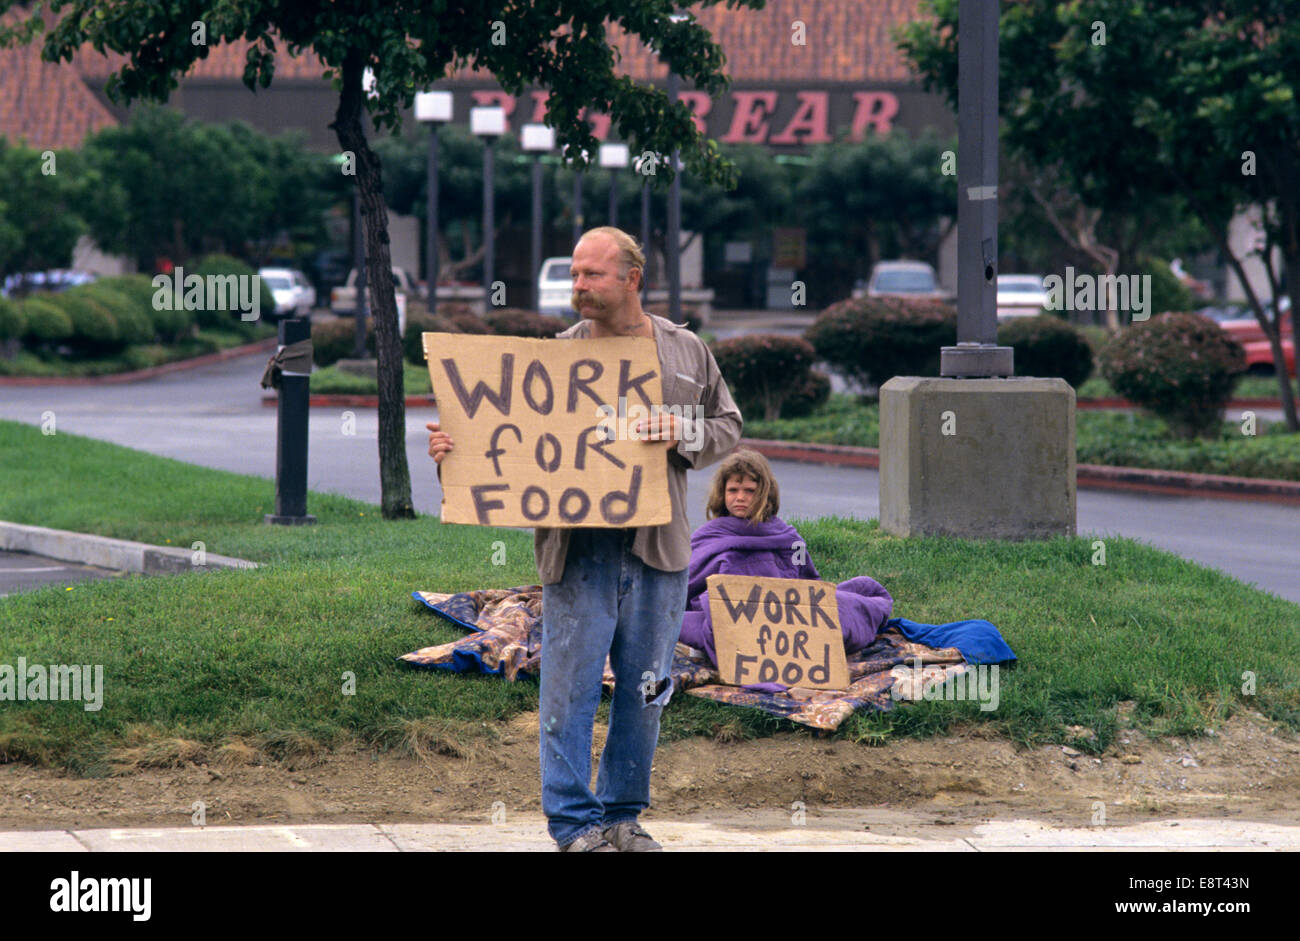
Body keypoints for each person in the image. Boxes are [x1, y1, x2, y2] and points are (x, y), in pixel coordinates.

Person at [427, 226, 742, 851]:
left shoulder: (684, 350)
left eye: (592, 275)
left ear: (632, 279)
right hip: (578, 553)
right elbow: (507, 444)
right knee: (568, 691)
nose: (579, 287)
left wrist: (678, 429)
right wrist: (452, 457)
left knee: (647, 689)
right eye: (574, 275)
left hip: (658, 549)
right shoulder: (553, 358)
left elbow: (727, 426)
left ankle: (623, 818)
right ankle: (575, 827)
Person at [680, 449, 893, 686]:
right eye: (733, 490)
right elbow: (685, 585)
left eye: (750, 491)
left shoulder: (788, 538)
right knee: (681, 623)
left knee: (849, 603)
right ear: (722, 493)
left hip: (784, 617)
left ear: (765, 495)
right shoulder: (708, 536)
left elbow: (809, 584)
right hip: (732, 616)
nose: (740, 497)